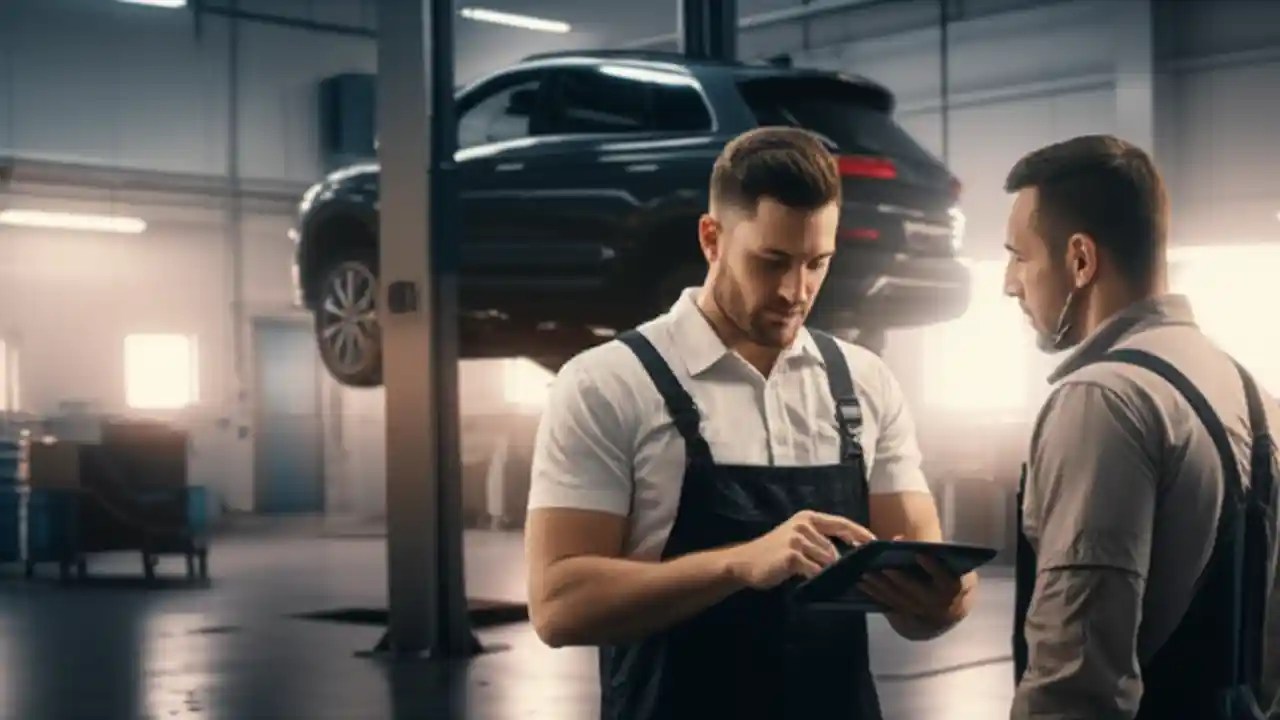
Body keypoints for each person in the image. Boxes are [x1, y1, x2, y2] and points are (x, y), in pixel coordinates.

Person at [524, 126, 977, 720]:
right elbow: (558, 606)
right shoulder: (607, 384)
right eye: (772, 261)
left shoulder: (864, 384)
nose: (796, 291)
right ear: (712, 239)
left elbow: (925, 597)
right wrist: (740, 563)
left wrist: (946, 600)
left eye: (818, 263)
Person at [1002, 134, 1280, 719]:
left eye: (1020, 256)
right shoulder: (1253, 394)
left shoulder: (1103, 400)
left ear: (1080, 259)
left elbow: (1077, 681)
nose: (1009, 282)